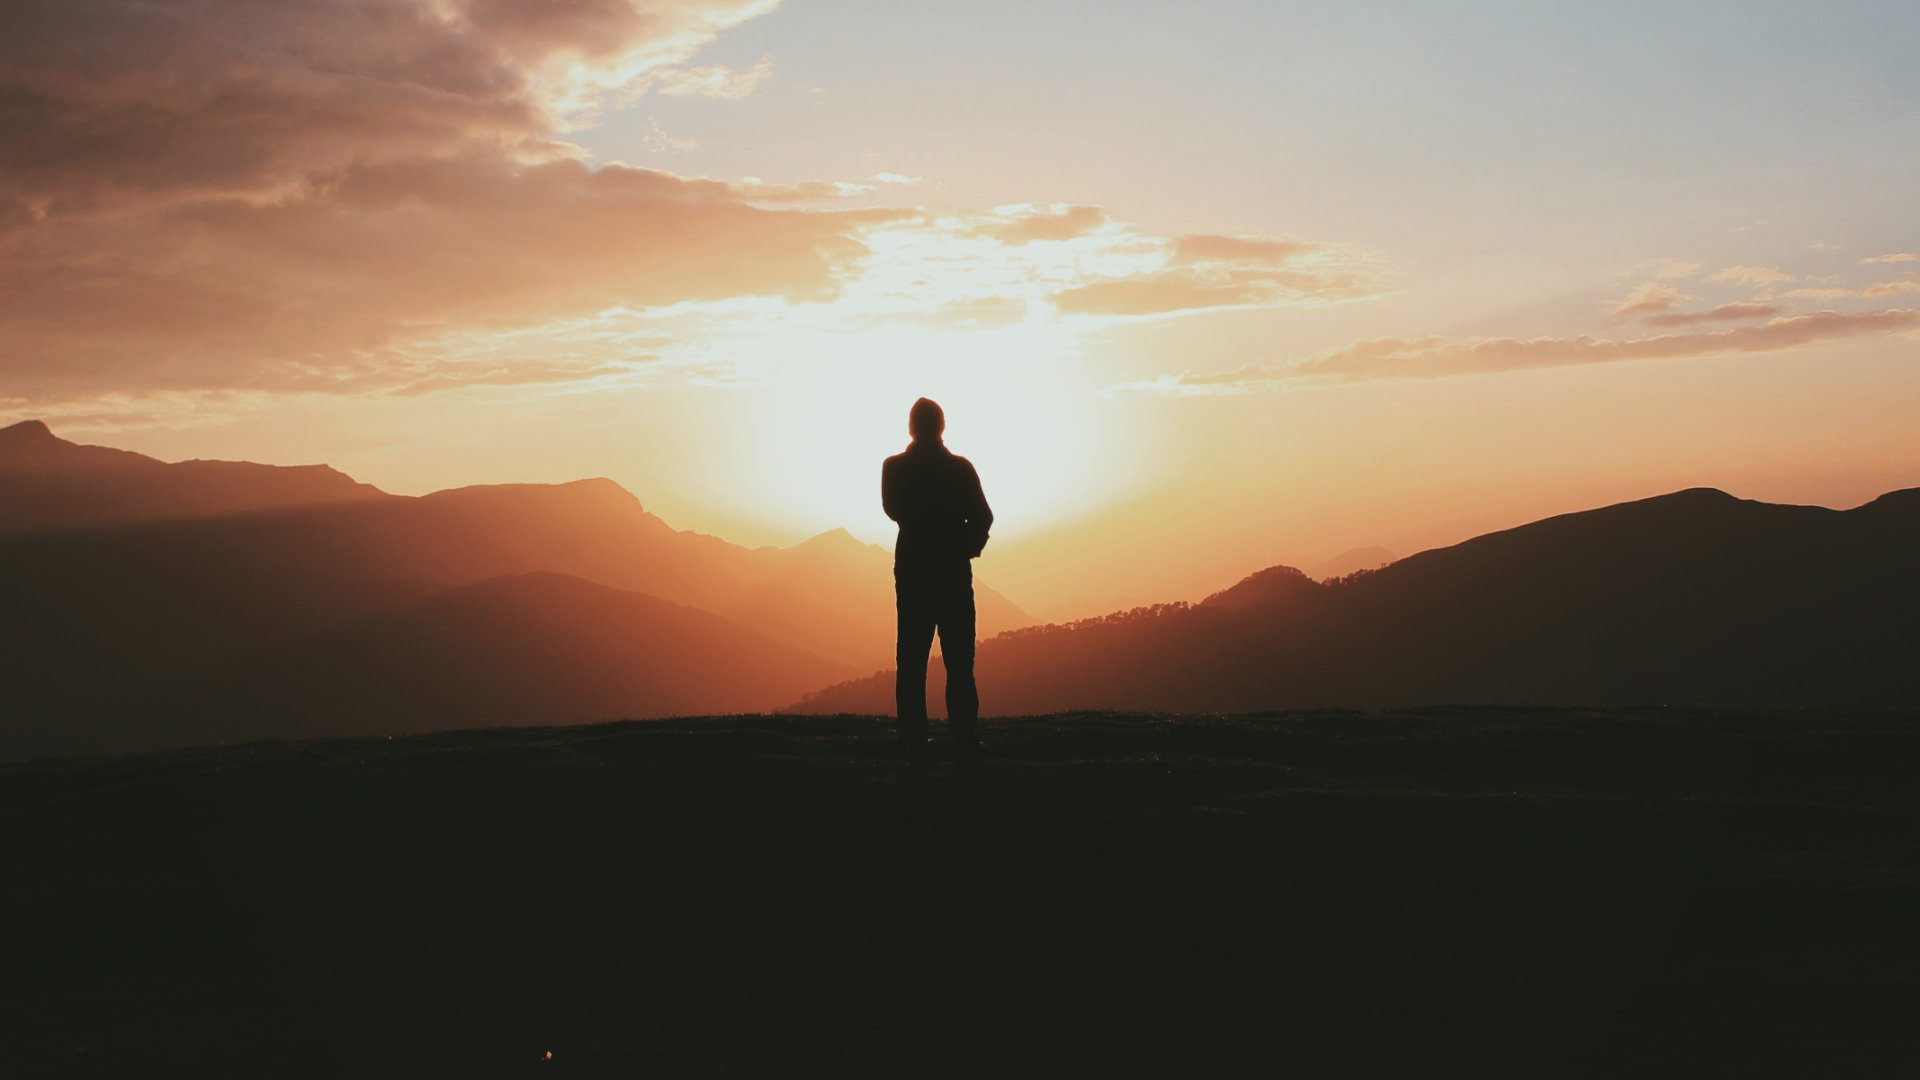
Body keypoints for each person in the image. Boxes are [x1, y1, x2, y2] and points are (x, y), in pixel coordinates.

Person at [882, 397, 992, 758]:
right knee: (960, 663)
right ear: (942, 426)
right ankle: (963, 738)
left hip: (913, 573)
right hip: (953, 575)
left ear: (911, 427)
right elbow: (983, 517)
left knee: (911, 662)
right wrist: (967, 547)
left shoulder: (895, 468)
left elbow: (893, 509)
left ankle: (912, 740)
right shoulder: (960, 470)